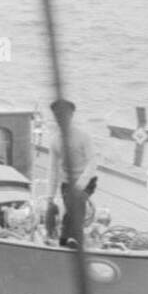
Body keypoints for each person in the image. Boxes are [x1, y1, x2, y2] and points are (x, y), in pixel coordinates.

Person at [49, 100, 98, 247]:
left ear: (71, 115)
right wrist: (50, 198)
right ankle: (69, 240)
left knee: (76, 202)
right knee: (72, 206)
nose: (60, 118)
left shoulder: (83, 137)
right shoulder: (55, 141)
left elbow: (93, 162)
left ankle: (70, 239)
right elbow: (53, 170)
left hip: (87, 181)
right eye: (57, 115)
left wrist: (79, 185)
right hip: (66, 183)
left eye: (64, 115)